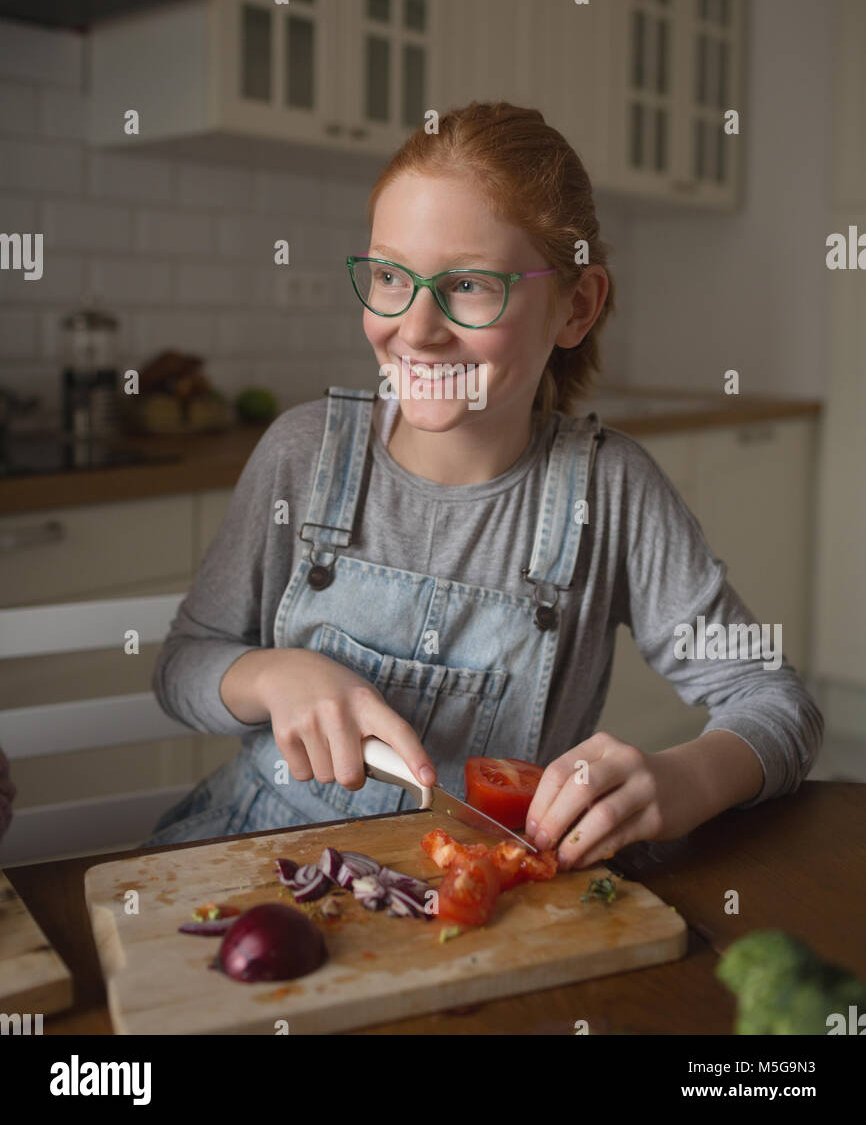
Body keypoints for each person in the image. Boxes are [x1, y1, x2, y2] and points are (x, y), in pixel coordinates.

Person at [142, 101, 823, 866]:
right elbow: (183, 665)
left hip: (483, 892)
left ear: (577, 306)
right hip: (261, 860)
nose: (418, 327)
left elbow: (777, 702)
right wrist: (273, 674)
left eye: (468, 285)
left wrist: (678, 779)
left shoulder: (613, 491)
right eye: (391, 276)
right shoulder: (302, 453)